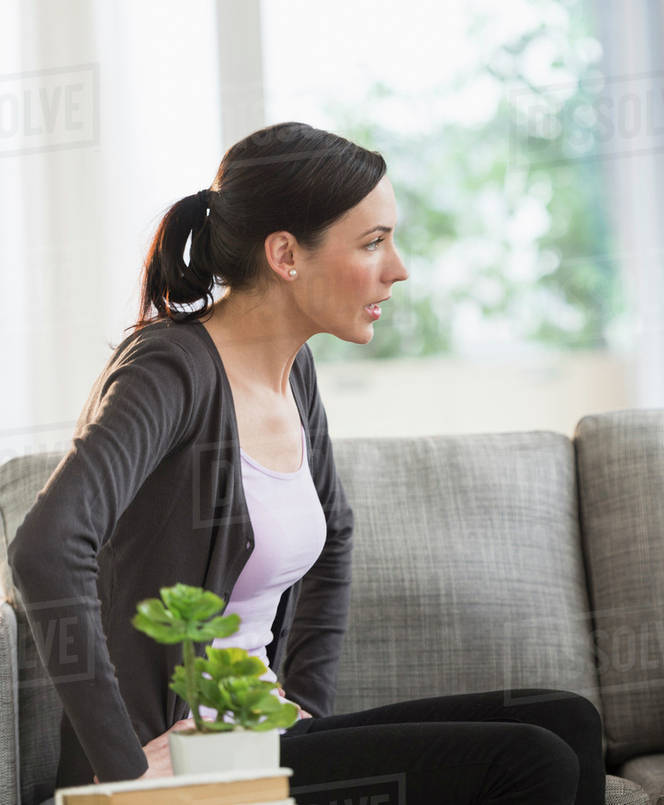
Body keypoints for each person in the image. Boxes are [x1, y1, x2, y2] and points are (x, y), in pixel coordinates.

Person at [8, 121, 604, 805]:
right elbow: (45, 548)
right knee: (529, 761)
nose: (398, 267)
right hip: (180, 768)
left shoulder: (295, 372)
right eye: (373, 241)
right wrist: (123, 773)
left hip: (261, 738)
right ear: (286, 254)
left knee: (565, 718)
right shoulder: (168, 370)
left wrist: (308, 705)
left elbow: (335, 538)